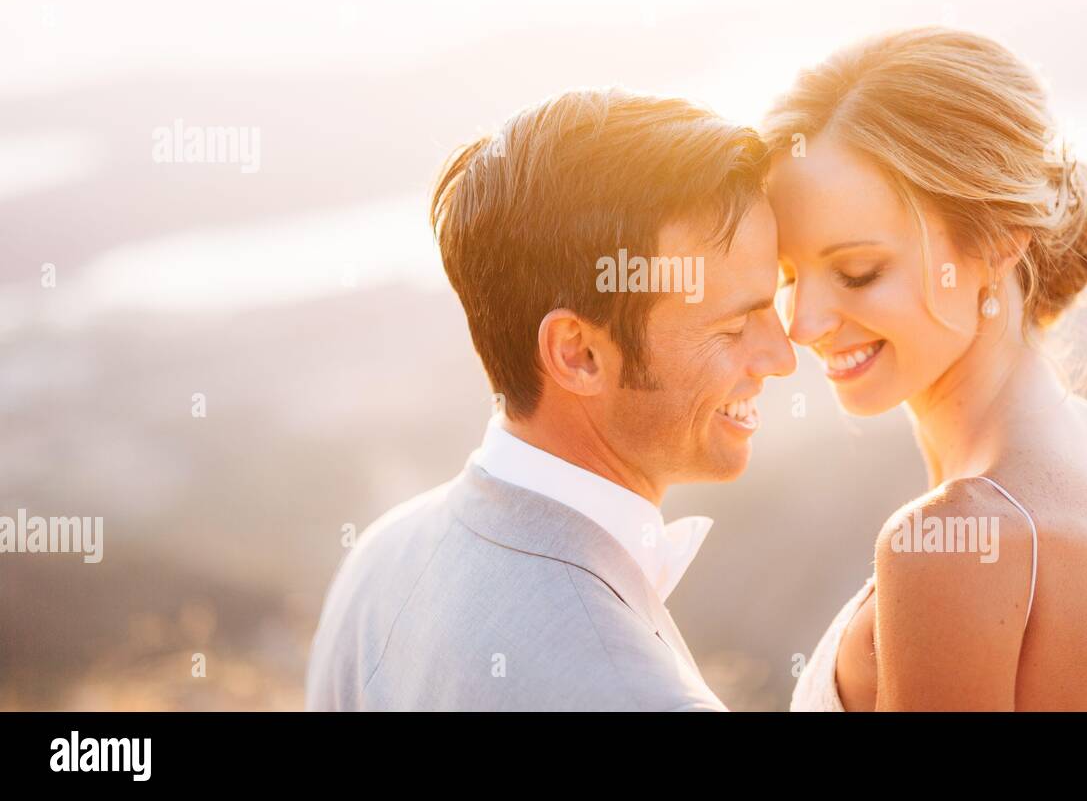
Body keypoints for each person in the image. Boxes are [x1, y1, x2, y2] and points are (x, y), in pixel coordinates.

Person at [306, 88, 794, 710]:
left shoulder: (377, 561)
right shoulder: (637, 697)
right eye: (734, 327)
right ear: (579, 354)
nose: (783, 357)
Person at [765, 29, 1087, 711]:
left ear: (994, 245)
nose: (801, 324)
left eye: (857, 272)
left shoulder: (951, 547)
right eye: (786, 276)